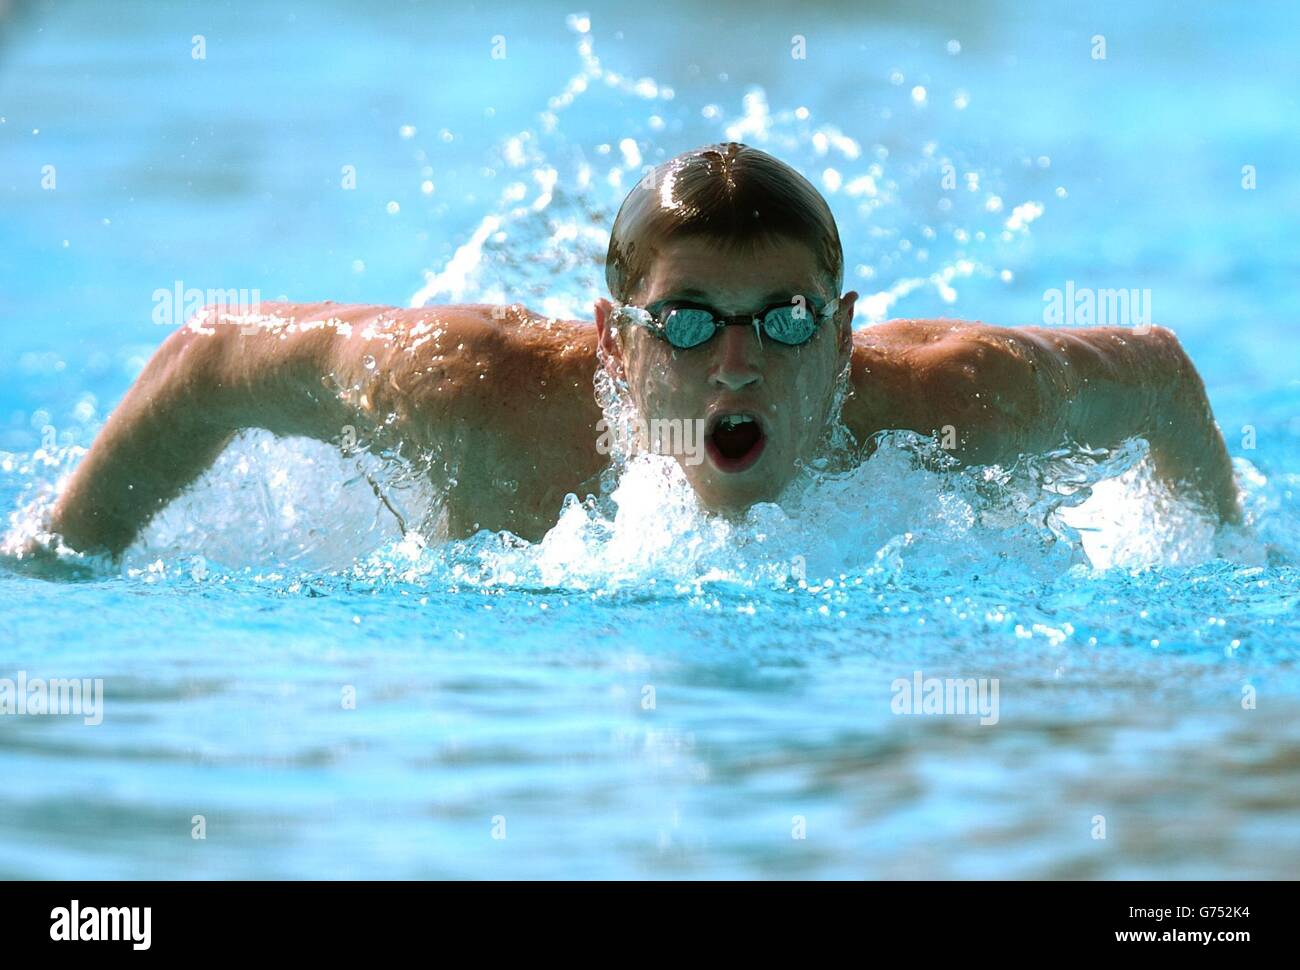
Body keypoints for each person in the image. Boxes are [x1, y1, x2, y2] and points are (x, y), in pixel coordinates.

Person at [43, 142, 1239, 559]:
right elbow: (208, 357)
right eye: (686, 321)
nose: (737, 364)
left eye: (782, 320)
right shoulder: (476, 401)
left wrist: (1218, 554)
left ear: (842, 333)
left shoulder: (963, 402)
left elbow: (1159, 371)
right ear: (614, 343)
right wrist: (57, 556)